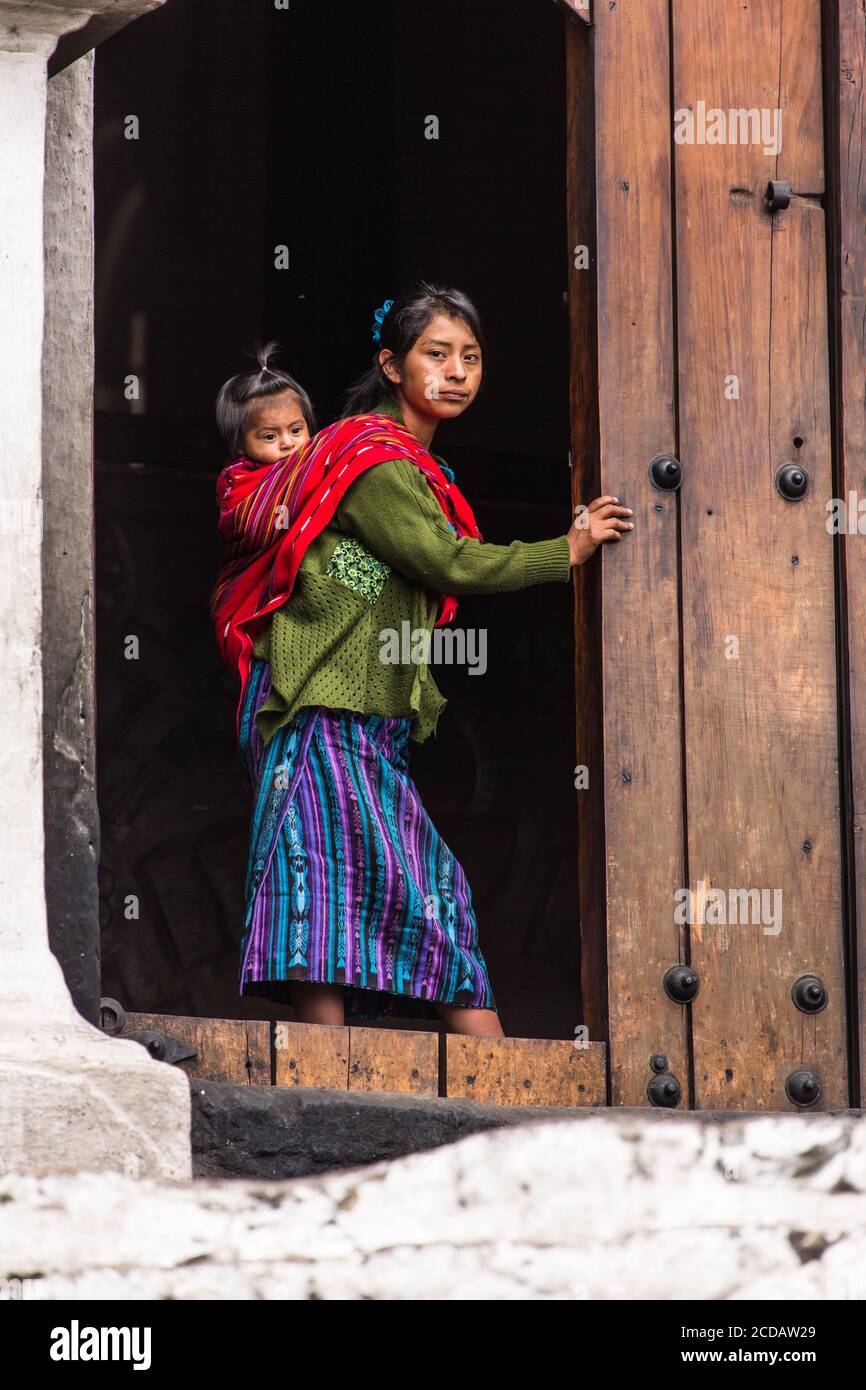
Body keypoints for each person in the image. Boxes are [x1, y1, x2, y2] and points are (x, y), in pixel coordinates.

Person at [211, 283, 634, 1038]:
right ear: (391, 365)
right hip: (314, 712)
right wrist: (565, 551)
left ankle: (481, 1086)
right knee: (329, 895)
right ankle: (346, 1085)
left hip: (360, 721)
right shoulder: (373, 462)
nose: (457, 372)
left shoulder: (401, 463)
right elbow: (449, 561)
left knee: (389, 895)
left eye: (471, 356)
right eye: (436, 354)